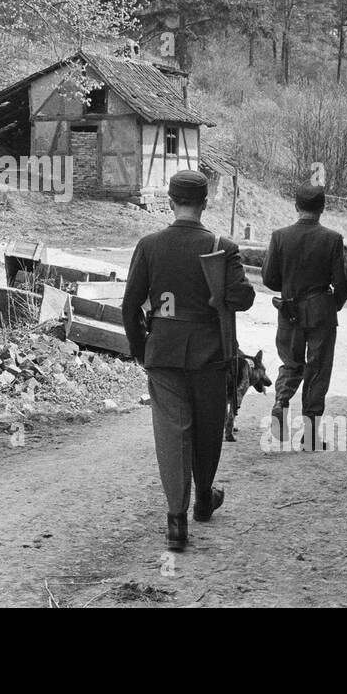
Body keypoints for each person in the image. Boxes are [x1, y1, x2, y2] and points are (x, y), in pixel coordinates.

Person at [122, 170, 256, 552]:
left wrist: (140, 349)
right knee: (208, 430)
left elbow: (130, 306)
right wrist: (221, 296)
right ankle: (203, 500)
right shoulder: (222, 246)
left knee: (172, 433)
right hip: (210, 354)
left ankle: (176, 519)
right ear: (205, 203)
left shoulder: (149, 245)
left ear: (169, 201)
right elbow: (244, 299)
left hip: (163, 352)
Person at [262, 183, 347, 451]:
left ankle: (281, 401)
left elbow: (269, 278)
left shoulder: (280, 237)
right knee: (317, 371)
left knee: (290, 363)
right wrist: (331, 304)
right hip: (320, 313)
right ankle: (310, 437)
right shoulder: (332, 239)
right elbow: (344, 282)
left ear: (296, 207)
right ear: (322, 209)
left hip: (288, 310)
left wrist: (289, 286)